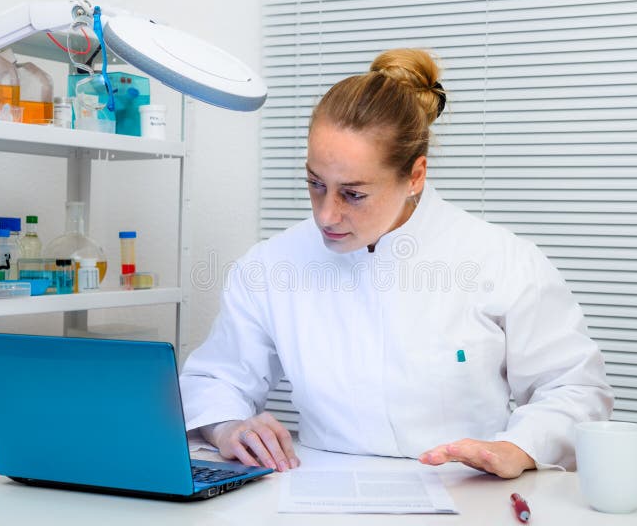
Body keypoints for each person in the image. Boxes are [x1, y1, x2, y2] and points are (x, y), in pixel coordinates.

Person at [180, 48, 614, 479]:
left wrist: (516, 447)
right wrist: (227, 426)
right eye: (315, 184)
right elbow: (217, 378)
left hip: (467, 495)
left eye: (353, 194)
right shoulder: (272, 266)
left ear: (415, 176)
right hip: (317, 495)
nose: (326, 215)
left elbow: (573, 388)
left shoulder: (501, 260)